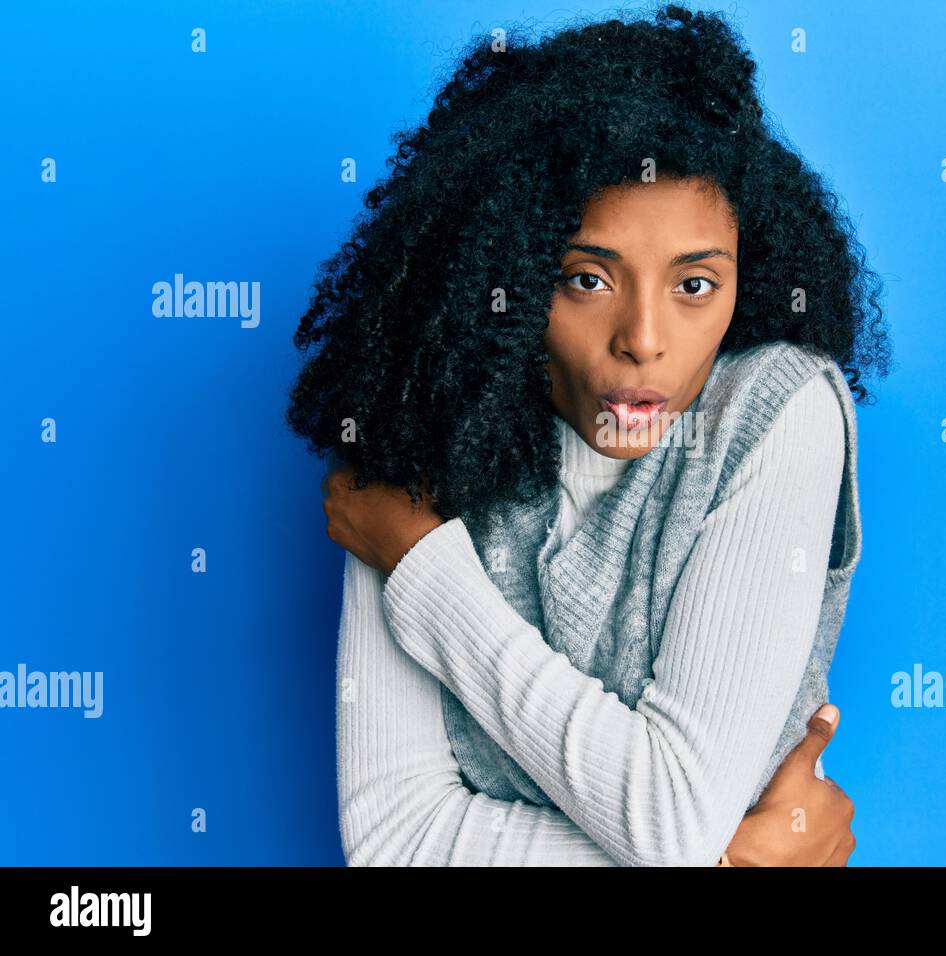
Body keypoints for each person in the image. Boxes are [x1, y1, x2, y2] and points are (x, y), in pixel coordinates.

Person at [288, 5, 892, 866]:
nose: (643, 339)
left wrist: (425, 567)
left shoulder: (776, 413)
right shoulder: (421, 431)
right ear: (507, 269)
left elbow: (673, 823)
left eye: (694, 285)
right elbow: (395, 845)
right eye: (586, 278)